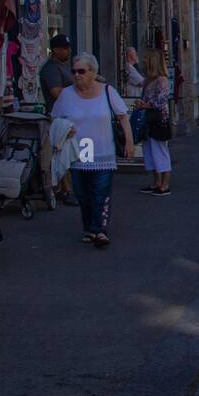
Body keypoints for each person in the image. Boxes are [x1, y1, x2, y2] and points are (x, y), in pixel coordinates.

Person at [51, 52, 134, 249]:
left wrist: (130, 143)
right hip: (79, 153)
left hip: (103, 150)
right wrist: (64, 129)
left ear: (93, 72)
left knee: (101, 193)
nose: (76, 75)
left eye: (81, 71)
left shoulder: (107, 91)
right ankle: (89, 227)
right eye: (74, 71)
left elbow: (123, 116)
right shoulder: (67, 95)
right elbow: (54, 118)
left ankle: (100, 230)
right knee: (82, 194)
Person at [39, 35, 78, 205]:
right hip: (59, 117)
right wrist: (79, 89)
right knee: (63, 153)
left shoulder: (64, 67)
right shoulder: (50, 69)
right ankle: (66, 190)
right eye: (65, 48)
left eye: (68, 48)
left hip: (71, 115)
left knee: (73, 153)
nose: (68, 51)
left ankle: (70, 188)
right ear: (55, 50)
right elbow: (56, 92)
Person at [135, 49, 172, 196]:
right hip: (149, 119)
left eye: (146, 58)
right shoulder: (148, 80)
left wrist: (146, 105)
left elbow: (162, 100)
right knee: (150, 151)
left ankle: (165, 184)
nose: (143, 61)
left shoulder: (161, 80)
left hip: (159, 120)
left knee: (160, 151)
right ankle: (156, 181)